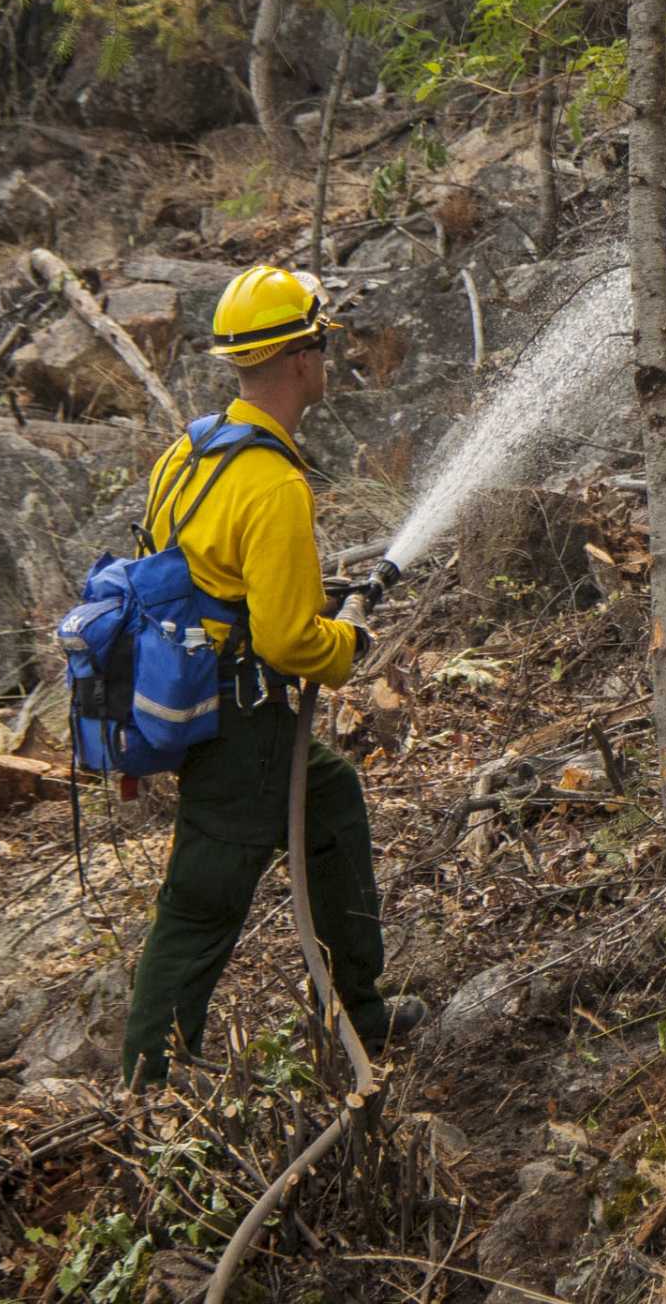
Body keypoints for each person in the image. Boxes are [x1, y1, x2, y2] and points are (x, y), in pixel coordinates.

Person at [120, 266, 422, 1086]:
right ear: (300, 359)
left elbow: (204, 580)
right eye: (321, 343)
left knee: (330, 804)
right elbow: (289, 643)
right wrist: (347, 648)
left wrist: (309, 608)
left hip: (190, 703)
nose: (328, 357)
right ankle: (147, 1084)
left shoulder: (188, 452)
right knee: (201, 902)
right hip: (241, 729)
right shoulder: (276, 483)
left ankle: (357, 1008)